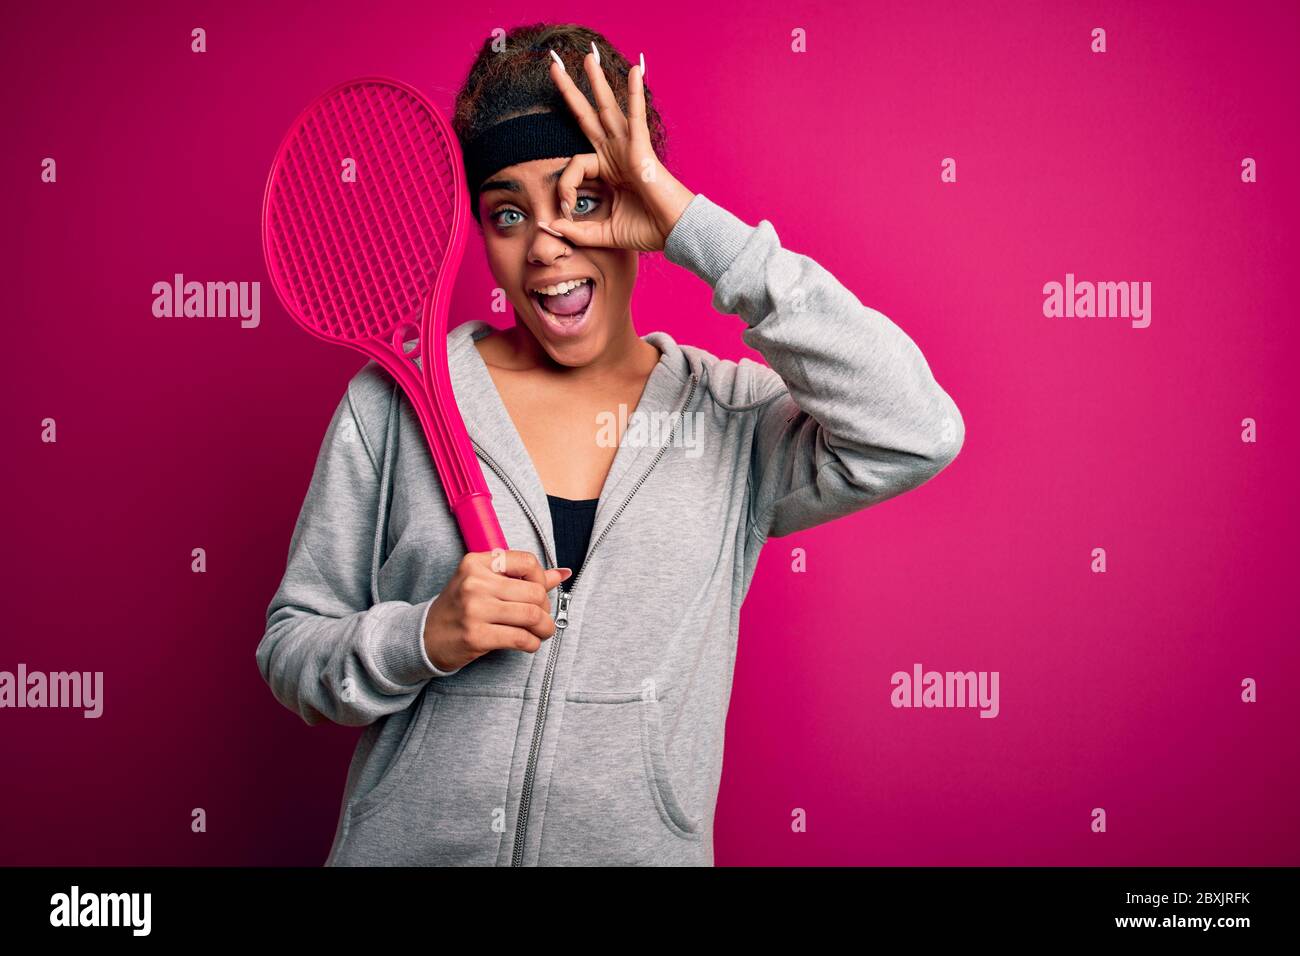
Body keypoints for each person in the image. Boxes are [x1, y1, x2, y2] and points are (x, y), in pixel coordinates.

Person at [256, 23, 965, 866]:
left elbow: (917, 428)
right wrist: (421, 637)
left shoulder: (730, 418)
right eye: (508, 213)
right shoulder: (396, 404)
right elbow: (293, 648)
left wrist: (694, 226)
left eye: (583, 199)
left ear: (638, 202)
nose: (548, 245)